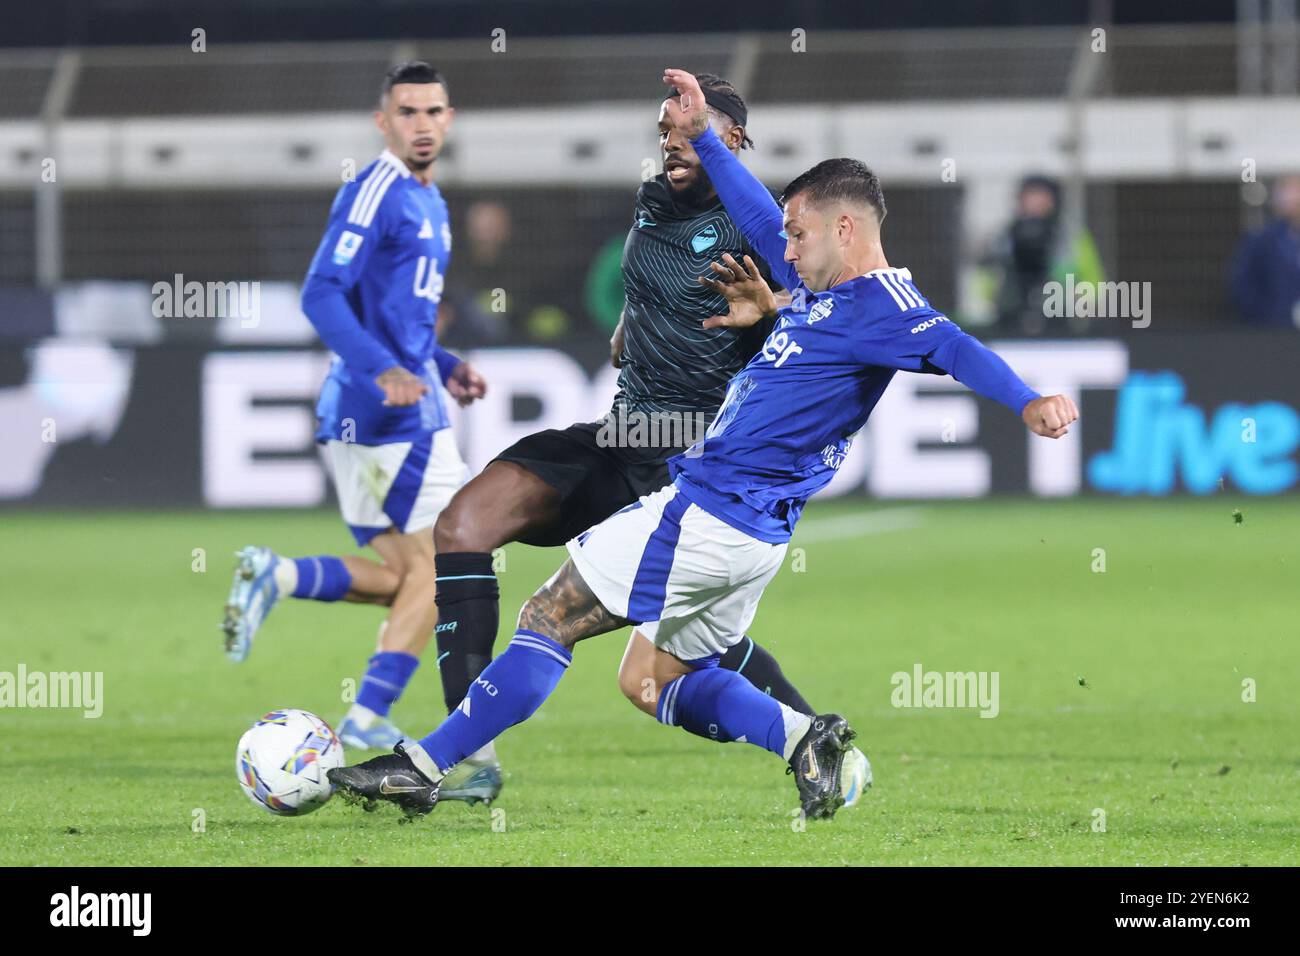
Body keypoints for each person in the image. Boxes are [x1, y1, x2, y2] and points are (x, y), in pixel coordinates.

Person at [326, 68, 1078, 821]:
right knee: (650, 681)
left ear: (845, 230)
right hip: (753, 535)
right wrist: (706, 143)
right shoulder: (820, 291)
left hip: (709, 508)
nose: (781, 246)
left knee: (550, 617)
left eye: (797, 234)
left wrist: (1029, 401)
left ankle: (426, 764)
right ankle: (803, 737)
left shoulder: (880, 307)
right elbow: (758, 213)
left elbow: (954, 347)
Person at [419, 72, 861, 806]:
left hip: (694, 457)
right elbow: (655, 276)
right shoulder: (652, 203)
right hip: (622, 432)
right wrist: (634, 318)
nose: (672, 141)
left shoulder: (767, 224)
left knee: (680, 658)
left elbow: (831, 312)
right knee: (463, 524)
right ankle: (469, 753)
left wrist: (772, 309)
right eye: (664, 129)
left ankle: (814, 740)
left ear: (735, 142)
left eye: (690, 127)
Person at [220, 63, 493, 805]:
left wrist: (442, 362)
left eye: (434, 110)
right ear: (383, 122)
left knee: (414, 576)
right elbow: (320, 293)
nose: (422, 124)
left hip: (396, 408)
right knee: (450, 563)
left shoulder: (429, 202)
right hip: (385, 416)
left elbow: (396, 318)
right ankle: (370, 718)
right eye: (407, 112)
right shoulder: (376, 189)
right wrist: (384, 373)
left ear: (451, 115)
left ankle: (277, 575)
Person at [1230, 174, 1300, 328]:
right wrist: (1270, 315)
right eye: (1285, 189)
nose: (1290, 197)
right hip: (1275, 331)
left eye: (1296, 189)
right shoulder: (1262, 240)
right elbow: (1242, 285)